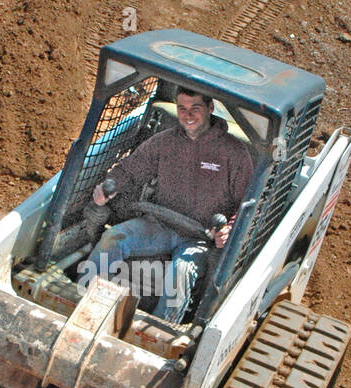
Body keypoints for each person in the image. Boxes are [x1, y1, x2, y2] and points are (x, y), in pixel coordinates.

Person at [89, 89, 254, 324]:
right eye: (182, 108)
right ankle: (84, 305)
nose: (187, 115)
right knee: (113, 237)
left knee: (180, 272)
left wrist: (229, 228)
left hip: (198, 238)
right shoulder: (164, 142)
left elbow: (247, 203)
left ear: (210, 108)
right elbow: (129, 169)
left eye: (195, 108)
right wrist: (108, 187)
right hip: (158, 225)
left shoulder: (234, 154)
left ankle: (160, 332)